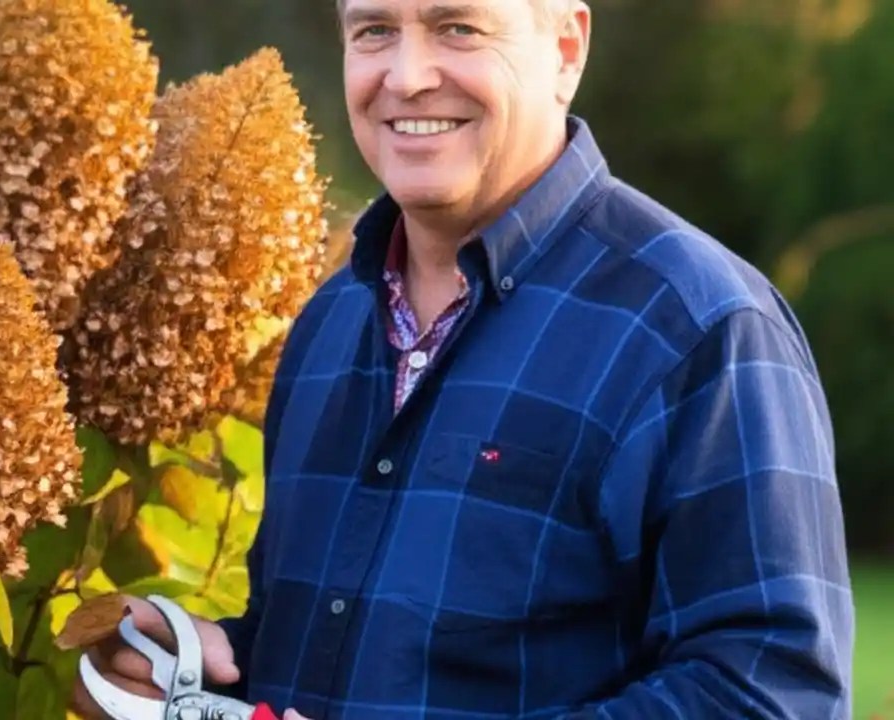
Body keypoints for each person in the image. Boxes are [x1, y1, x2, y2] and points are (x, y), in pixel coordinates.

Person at [71, 0, 856, 717]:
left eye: (459, 27)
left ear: (566, 47)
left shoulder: (699, 326)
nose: (407, 77)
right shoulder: (327, 324)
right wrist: (210, 671)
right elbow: (358, 659)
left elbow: (767, 689)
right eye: (374, 30)